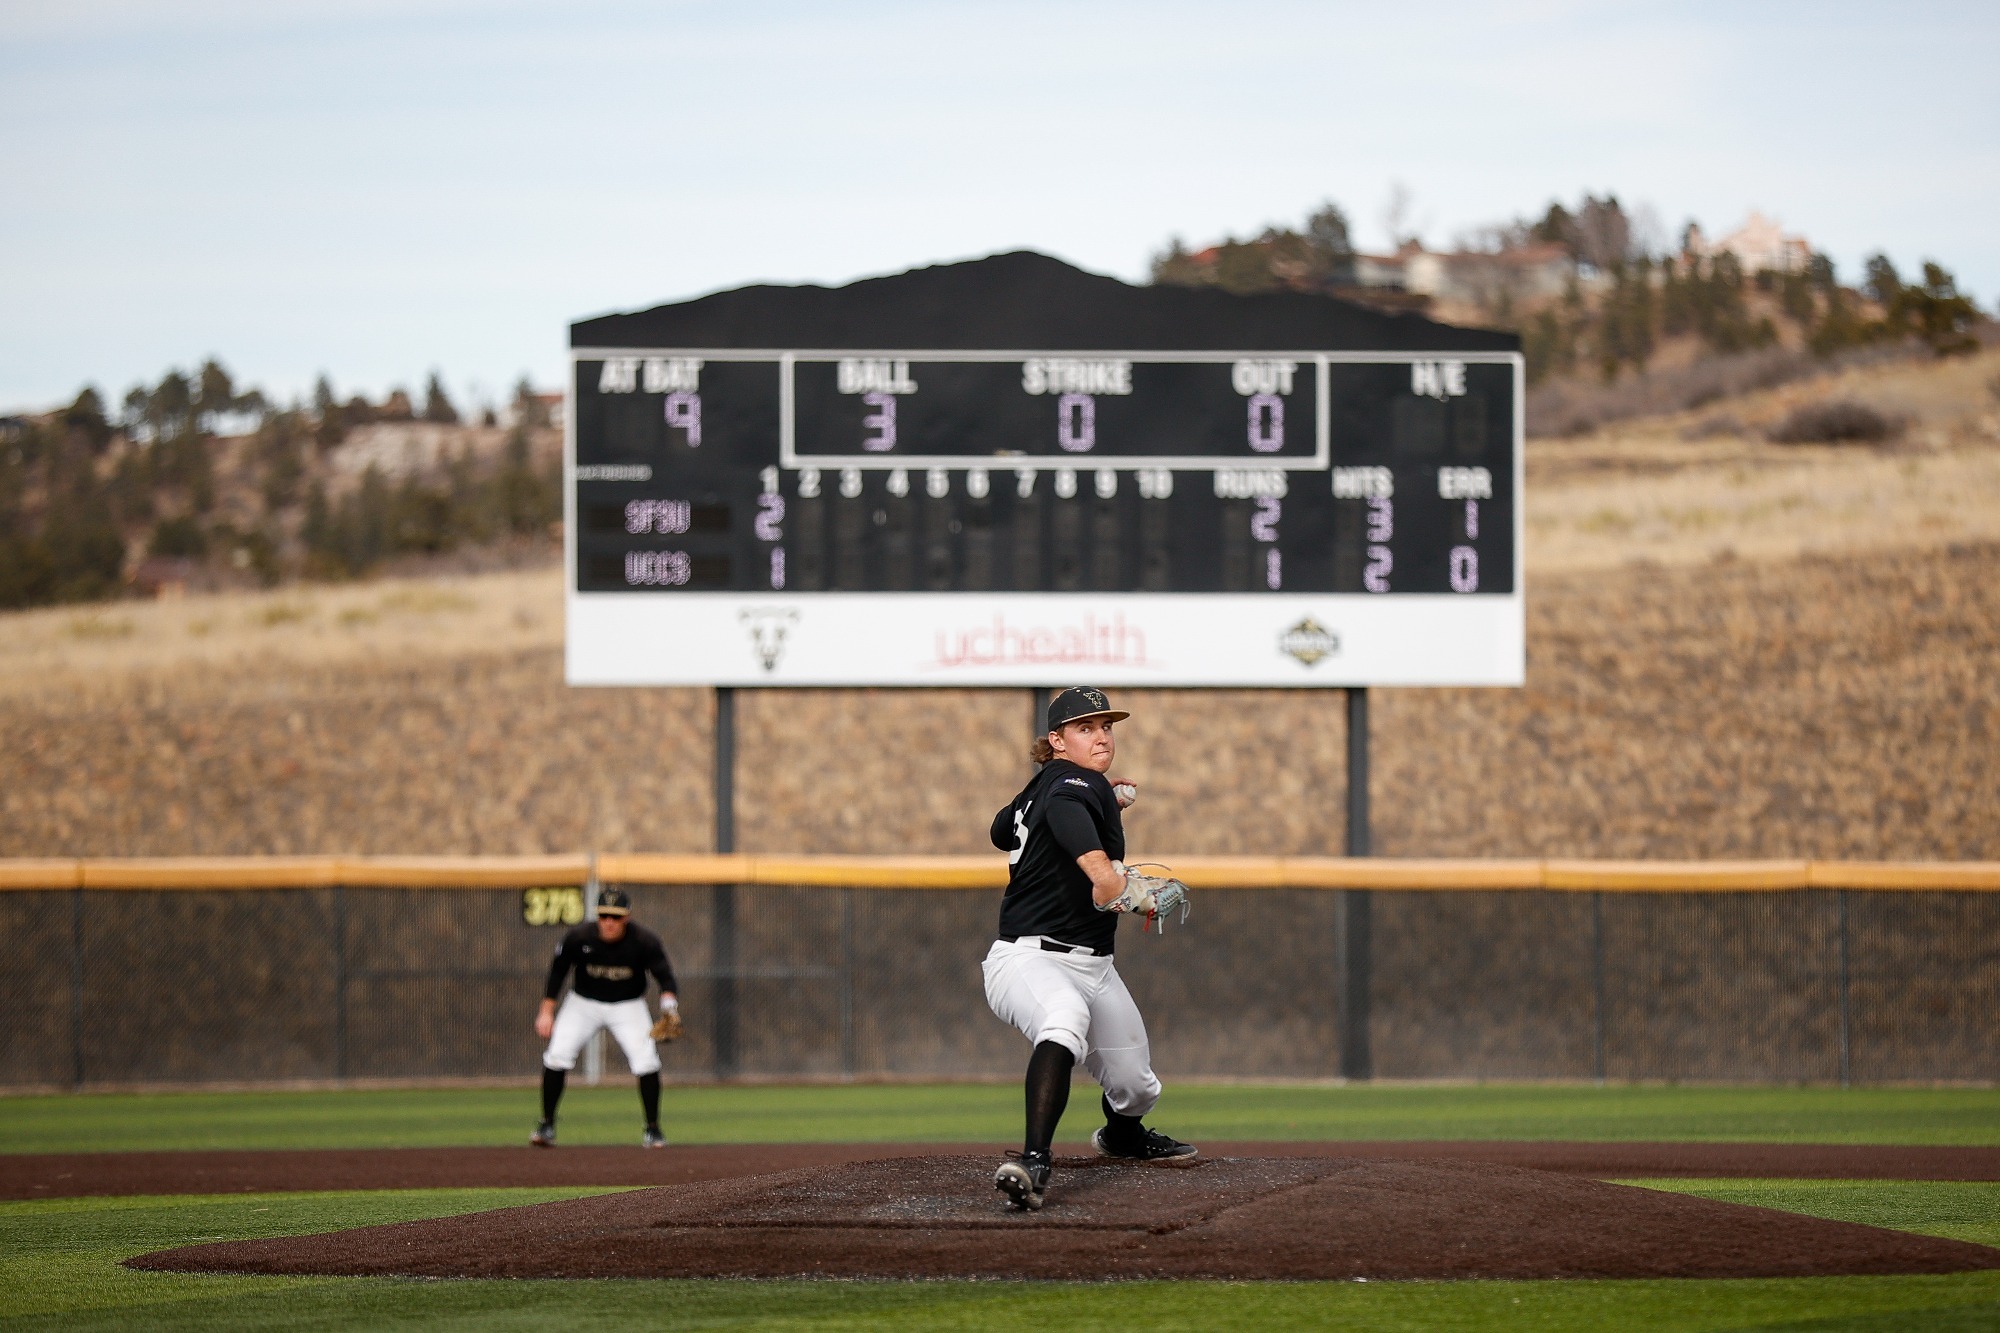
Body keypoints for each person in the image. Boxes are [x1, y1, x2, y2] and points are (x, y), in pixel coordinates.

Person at [983, 686, 1195, 1211]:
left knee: (1137, 1087)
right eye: (1085, 728)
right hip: (1030, 958)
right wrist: (1109, 876)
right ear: (1056, 740)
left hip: (1095, 965)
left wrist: (1106, 802)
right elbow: (1099, 873)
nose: (1101, 736)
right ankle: (1033, 1161)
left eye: (1106, 727)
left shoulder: (1050, 788)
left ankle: (1122, 1136)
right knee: (1063, 1018)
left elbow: (999, 831)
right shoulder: (1072, 784)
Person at [532, 886, 680, 1148]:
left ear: (627, 917)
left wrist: (669, 1008)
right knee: (557, 1055)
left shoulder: (644, 941)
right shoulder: (579, 937)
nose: (609, 922)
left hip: (628, 1005)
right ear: (597, 916)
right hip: (583, 1003)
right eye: (604, 916)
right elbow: (558, 973)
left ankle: (653, 1129)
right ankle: (546, 1125)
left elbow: (665, 977)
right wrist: (546, 1011)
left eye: (615, 916)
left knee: (646, 1061)